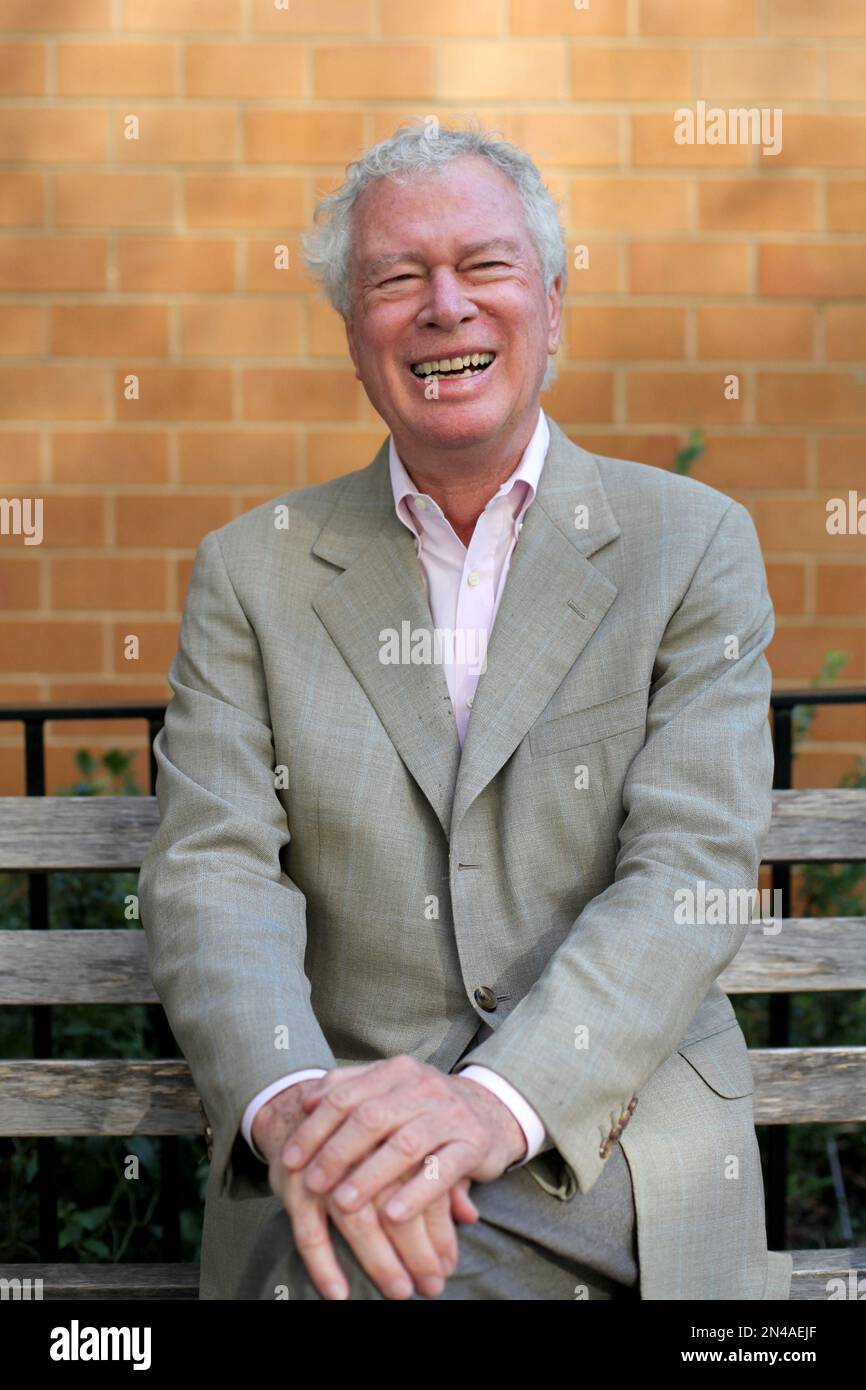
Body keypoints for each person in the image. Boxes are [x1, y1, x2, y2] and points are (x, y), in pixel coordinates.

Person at [138, 122, 793, 1302]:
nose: (445, 307)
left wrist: (489, 1103)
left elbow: (688, 868)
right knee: (365, 1257)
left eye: (483, 266)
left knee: (389, 1271)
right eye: (397, 279)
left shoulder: (688, 545)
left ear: (552, 304)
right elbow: (212, 871)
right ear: (353, 335)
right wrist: (293, 1111)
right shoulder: (252, 571)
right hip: (341, 1141)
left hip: (605, 1135)